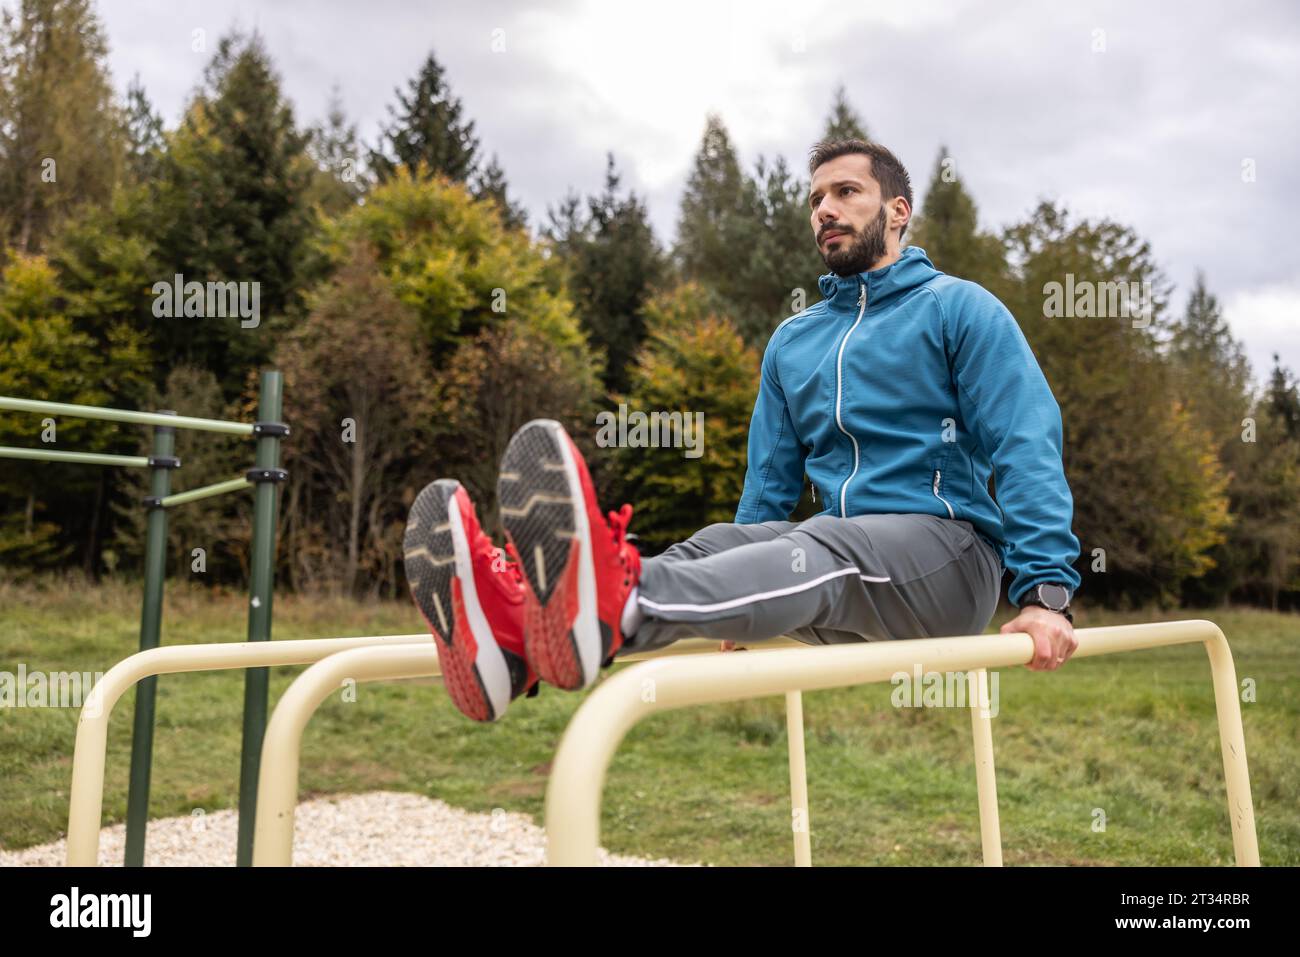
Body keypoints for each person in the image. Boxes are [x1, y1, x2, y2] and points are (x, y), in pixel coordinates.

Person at [402, 138, 1081, 723]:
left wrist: (1046, 594)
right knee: (716, 544)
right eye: (817, 197)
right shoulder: (795, 341)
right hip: (837, 580)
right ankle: (514, 643)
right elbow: (767, 493)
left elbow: (1025, 441)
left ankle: (605, 603)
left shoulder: (958, 309)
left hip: (949, 566)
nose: (826, 209)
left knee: (826, 544)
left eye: (847, 191)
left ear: (899, 212)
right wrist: (732, 596)